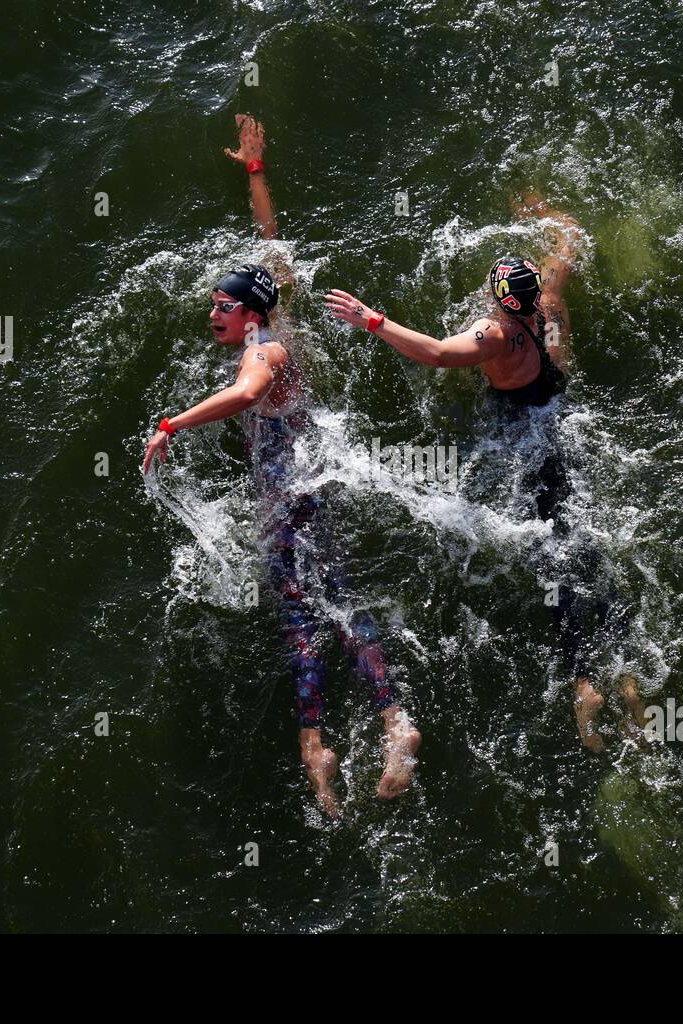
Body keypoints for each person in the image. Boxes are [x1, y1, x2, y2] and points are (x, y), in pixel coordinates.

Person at [144, 114, 420, 816]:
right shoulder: (277, 321)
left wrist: (172, 424)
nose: (213, 310)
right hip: (307, 473)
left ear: (246, 315)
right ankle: (392, 724)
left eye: (222, 305)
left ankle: (316, 745)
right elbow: (273, 249)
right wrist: (256, 172)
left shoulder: (261, 353)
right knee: (337, 594)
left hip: (288, 489)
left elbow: (246, 394)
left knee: (299, 614)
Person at [325, 192, 640, 750]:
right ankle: (627, 677)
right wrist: (547, 214)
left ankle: (585, 682)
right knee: (586, 541)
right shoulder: (550, 302)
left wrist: (370, 319)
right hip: (563, 421)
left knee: (554, 554)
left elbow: (439, 353)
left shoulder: (497, 336)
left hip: (527, 439)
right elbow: (569, 241)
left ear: (500, 299)